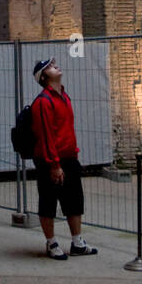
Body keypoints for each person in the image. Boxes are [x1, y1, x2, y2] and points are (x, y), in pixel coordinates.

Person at [30, 57, 98, 259]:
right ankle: (51, 243)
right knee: (49, 201)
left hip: (69, 158)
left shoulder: (64, 97)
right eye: (49, 66)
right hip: (50, 161)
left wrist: (74, 155)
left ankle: (77, 242)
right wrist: (54, 165)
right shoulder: (43, 101)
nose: (55, 66)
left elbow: (67, 130)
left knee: (74, 201)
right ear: (43, 76)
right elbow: (46, 135)